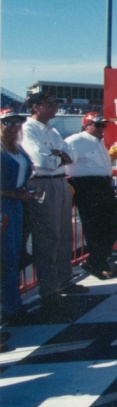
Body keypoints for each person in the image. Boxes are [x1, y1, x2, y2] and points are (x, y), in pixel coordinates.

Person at [20, 91, 87, 316]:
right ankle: (49, 290)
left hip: (59, 181)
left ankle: (64, 281)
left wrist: (57, 155)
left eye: (55, 103)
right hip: (42, 183)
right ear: (36, 107)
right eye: (49, 104)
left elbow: (72, 155)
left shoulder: (53, 130)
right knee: (48, 237)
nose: (54, 107)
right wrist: (59, 156)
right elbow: (41, 161)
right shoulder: (28, 129)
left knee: (64, 234)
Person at [65, 112, 117, 280]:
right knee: (94, 227)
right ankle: (97, 262)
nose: (101, 128)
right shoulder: (75, 141)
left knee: (114, 221)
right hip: (86, 185)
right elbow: (65, 163)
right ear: (86, 126)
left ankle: (96, 260)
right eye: (97, 125)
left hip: (101, 185)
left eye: (103, 125)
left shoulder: (98, 142)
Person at [0, 109, 33, 324]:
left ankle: (13, 306)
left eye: (17, 121)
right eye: (7, 121)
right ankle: (11, 309)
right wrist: (14, 194)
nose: (13, 125)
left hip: (17, 206)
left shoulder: (17, 148)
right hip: (3, 207)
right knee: (6, 258)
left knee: (14, 256)